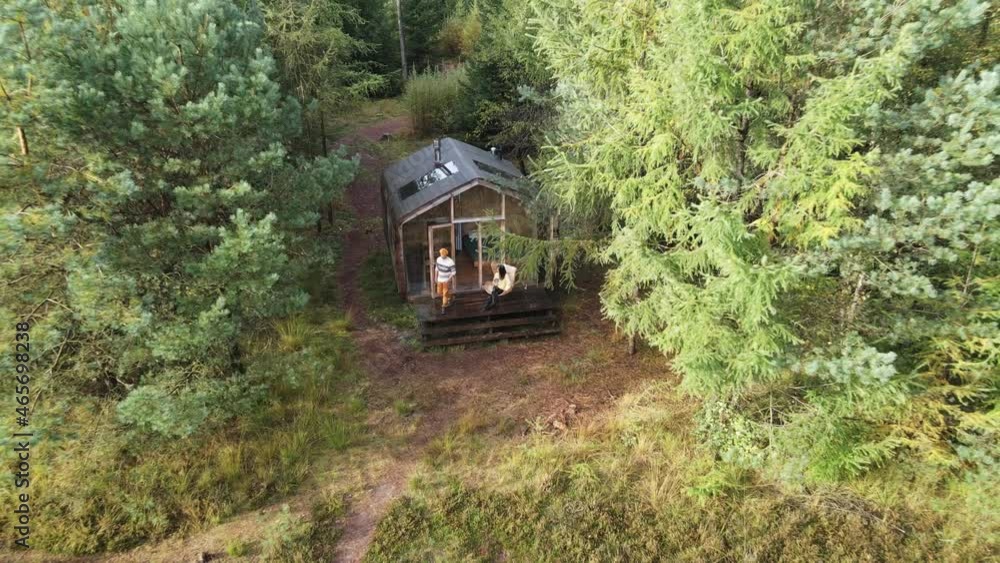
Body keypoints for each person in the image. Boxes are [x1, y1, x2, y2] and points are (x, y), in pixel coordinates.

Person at [434, 247, 455, 313]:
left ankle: (444, 306)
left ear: (446, 254)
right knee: (439, 292)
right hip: (439, 279)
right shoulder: (438, 259)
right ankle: (450, 297)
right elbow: (436, 269)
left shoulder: (450, 261)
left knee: (444, 293)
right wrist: (435, 277)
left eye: (443, 254)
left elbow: (453, 272)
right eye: (441, 254)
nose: (442, 255)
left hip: (446, 280)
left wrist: (448, 279)